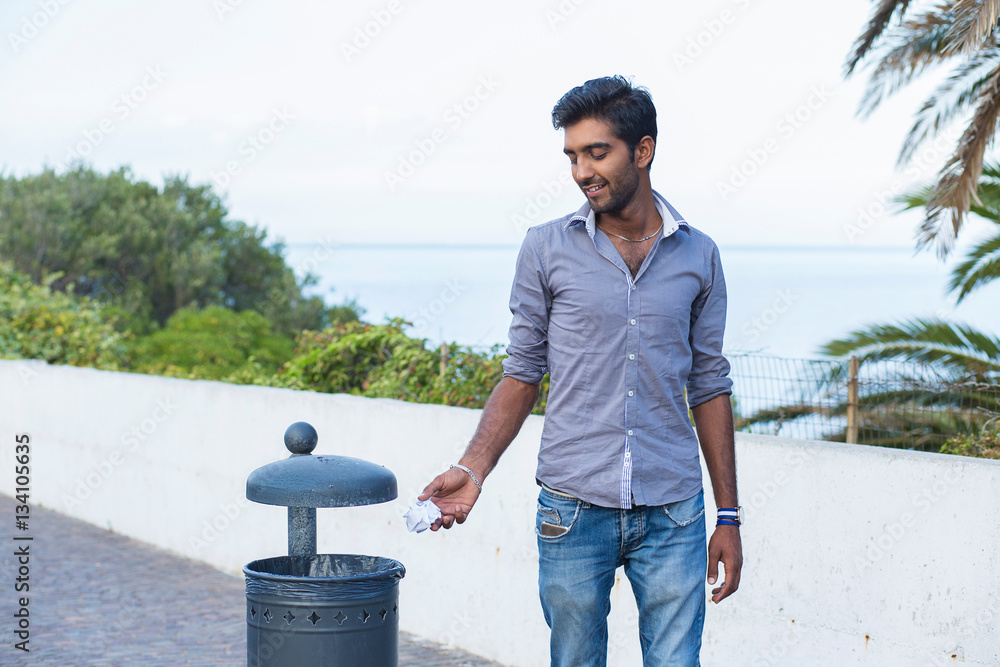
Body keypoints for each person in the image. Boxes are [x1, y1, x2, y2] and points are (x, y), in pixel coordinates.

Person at [418, 75, 742, 667]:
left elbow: (710, 385)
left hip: (674, 511)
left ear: (642, 151)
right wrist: (473, 469)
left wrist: (729, 516)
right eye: (572, 155)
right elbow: (522, 373)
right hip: (572, 508)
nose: (580, 170)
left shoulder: (701, 255)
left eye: (598, 152)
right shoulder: (544, 249)